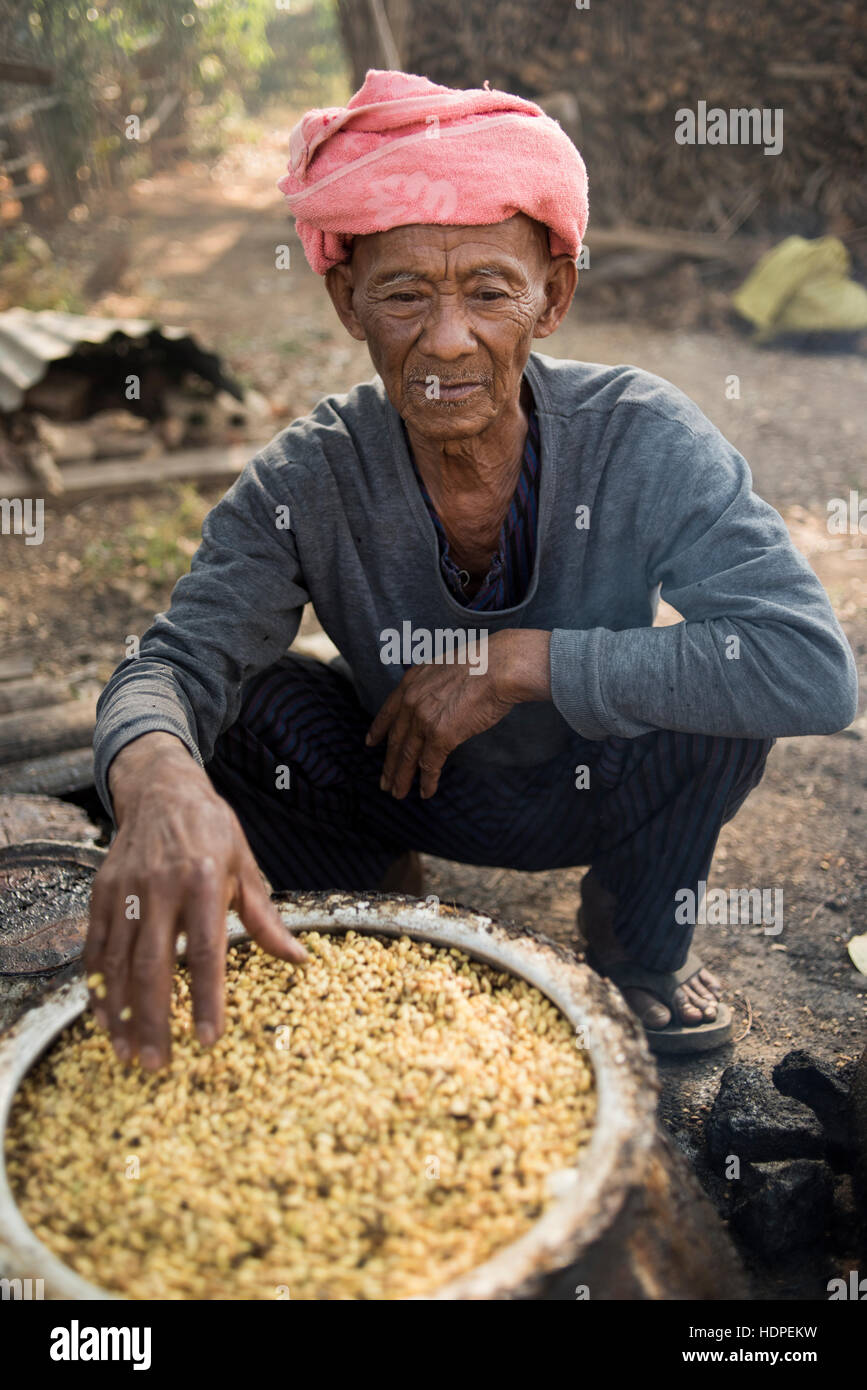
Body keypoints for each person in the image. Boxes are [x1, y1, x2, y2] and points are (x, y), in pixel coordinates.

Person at [88, 68, 858, 1070]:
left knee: (725, 689)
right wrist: (155, 783)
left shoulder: (642, 438)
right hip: (405, 777)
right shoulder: (307, 476)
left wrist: (521, 663)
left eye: (489, 292)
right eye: (403, 294)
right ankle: (377, 902)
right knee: (253, 704)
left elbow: (810, 668)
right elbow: (172, 664)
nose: (446, 340)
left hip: (600, 783)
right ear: (347, 300)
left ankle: (635, 940)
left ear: (552, 297)